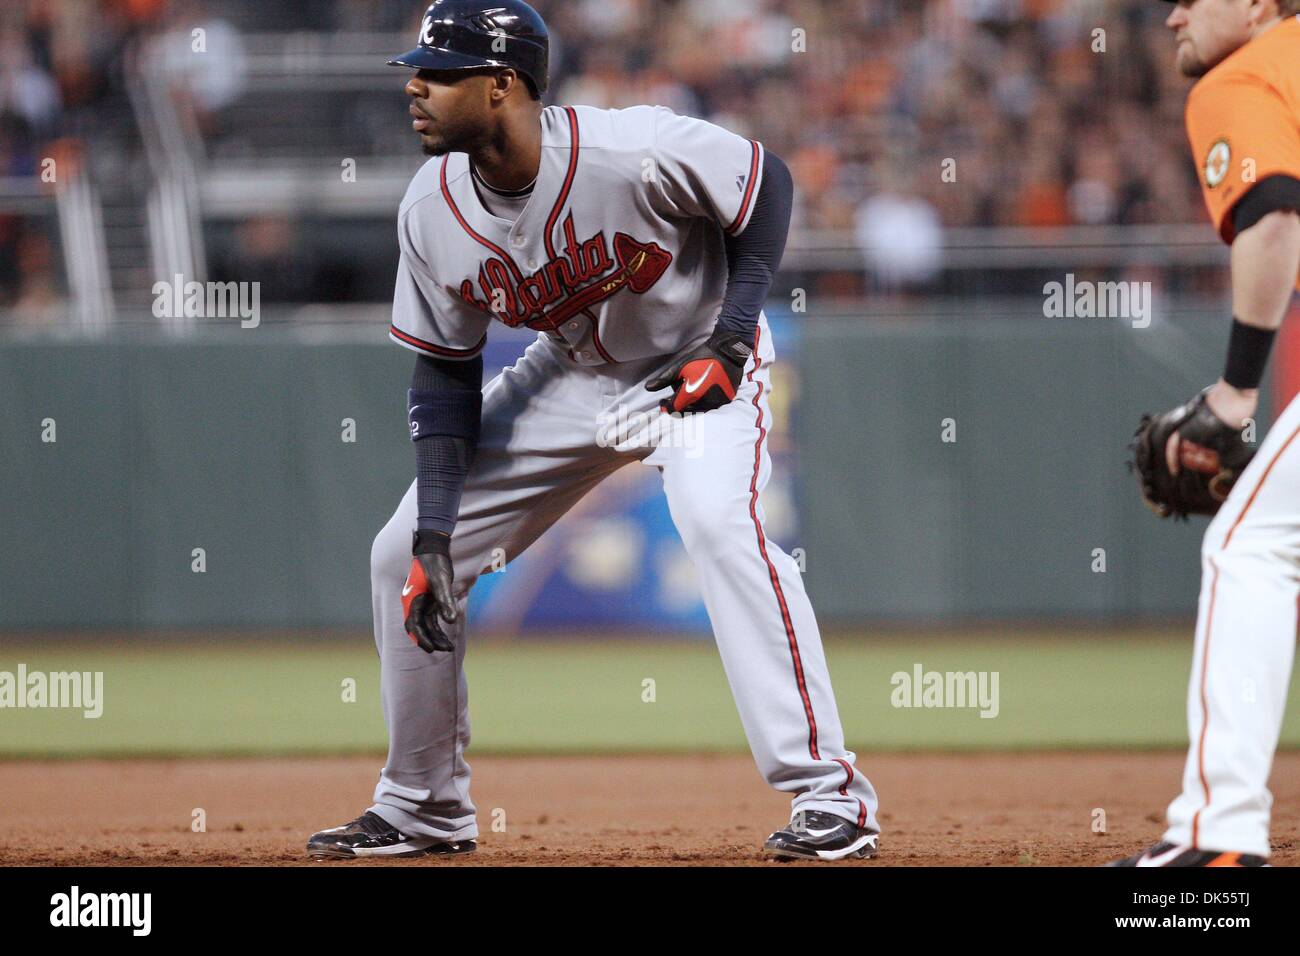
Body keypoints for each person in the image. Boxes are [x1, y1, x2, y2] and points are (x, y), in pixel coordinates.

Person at [307, 0, 880, 863]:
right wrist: (436, 531)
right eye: (417, 70)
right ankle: (423, 807)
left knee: (720, 524)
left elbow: (767, 186)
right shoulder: (431, 210)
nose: (415, 86)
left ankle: (831, 795)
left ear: (501, 86)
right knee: (402, 555)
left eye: (439, 71)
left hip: (697, 359)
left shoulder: (629, 148)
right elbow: (446, 373)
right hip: (570, 376)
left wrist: (731, 339)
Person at [1113, 0, 1300, 867]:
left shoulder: (1250, 70)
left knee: (1248, 545)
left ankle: (1217, 838)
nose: (1175, 14)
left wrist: (1234, 394)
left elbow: (1272, 219)